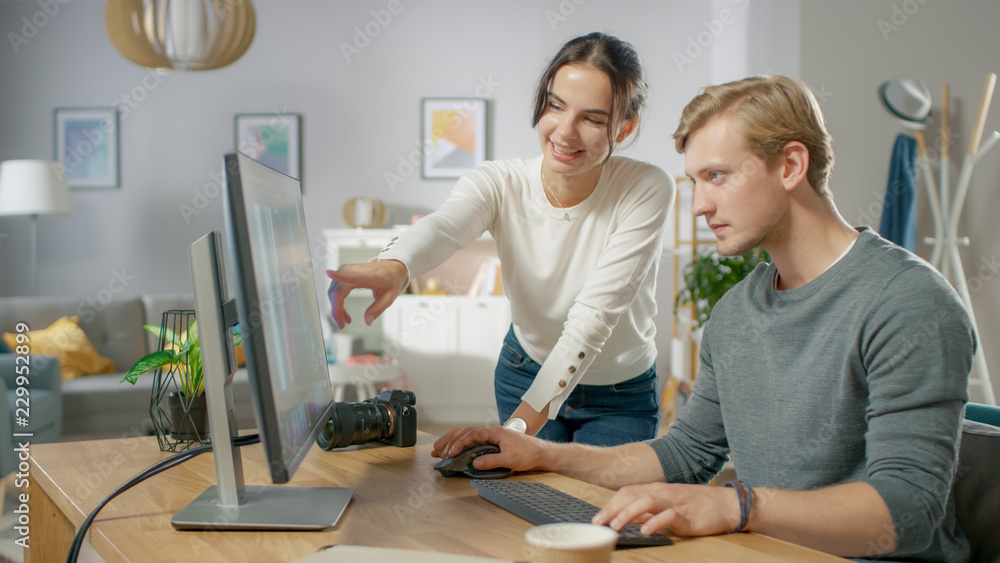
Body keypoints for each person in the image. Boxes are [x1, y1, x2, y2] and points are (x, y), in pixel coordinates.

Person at [432, 75, 976, 561]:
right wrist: (543, 453)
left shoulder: (906, 301)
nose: (698, 206)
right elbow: (686, 453)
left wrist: (738, 506)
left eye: (717, 176)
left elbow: (906, 512)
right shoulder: (736, 311)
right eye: (695, 181)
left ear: (790, 165)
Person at [327, 32, 675, 446]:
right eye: (555, 106)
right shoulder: (499, 181)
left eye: (592, 118)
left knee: (601, 511)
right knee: (524, 507)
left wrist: (514, 431)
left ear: (625, 125)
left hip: (620, 394)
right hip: (523, 369)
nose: (564, 131)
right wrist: (394, 266)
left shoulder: (647, 187)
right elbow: (444, 226)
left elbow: (592, 319)